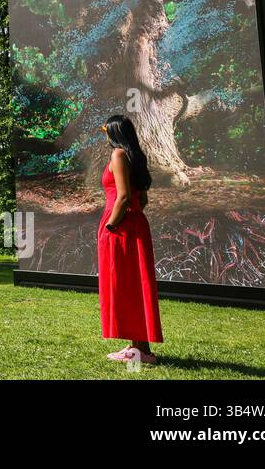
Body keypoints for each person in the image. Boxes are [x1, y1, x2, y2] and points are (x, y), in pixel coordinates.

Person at [98, 114, 163, 365]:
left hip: (120, 226)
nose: (104, 134)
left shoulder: (118, 155)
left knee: (125, 285)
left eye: (105, 130)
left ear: (112, 132)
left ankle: (141, 351)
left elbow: (123, 197)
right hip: (135, 225)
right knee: (135, 285)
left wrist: (111, 226)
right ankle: (139, 349)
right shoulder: (135, 156)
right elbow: (141, 200)